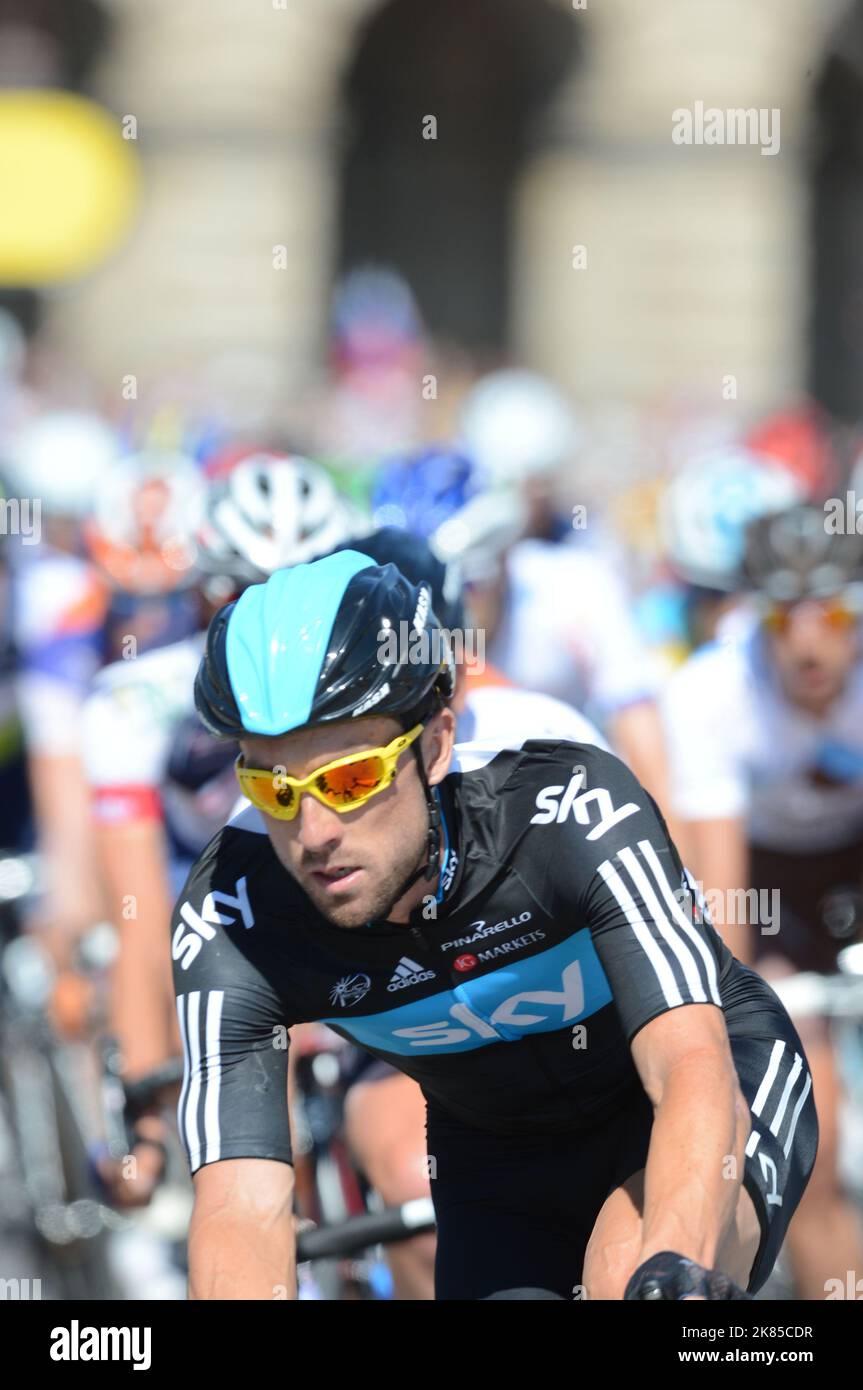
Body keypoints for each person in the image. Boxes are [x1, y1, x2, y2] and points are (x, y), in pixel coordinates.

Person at [174, 549, 817, 1300]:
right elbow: (239, 1209)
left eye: (349, 780)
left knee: (625, 1279)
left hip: (703, 1088)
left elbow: (688, 1067)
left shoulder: (566, 815)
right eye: (274, 788)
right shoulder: (232, 911)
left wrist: (670, 1265)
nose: (314, 832)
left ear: (435, 744)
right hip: (496, 1156)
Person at [83, 452, 365, 1204]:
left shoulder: (374, 685)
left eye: (308, 596)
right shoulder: (136, 701)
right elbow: (140, 919)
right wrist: (144, 1103)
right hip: (204, 910)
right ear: (208, 595)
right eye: (248, 595)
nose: (280, 623)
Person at [661, 503, 863, 1299]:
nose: (810, 642)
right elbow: (723, 882)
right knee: (811, 1135)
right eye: (785, 618)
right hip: (773, 880)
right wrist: (744, 1026)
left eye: (838, 614)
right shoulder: (711, 691)